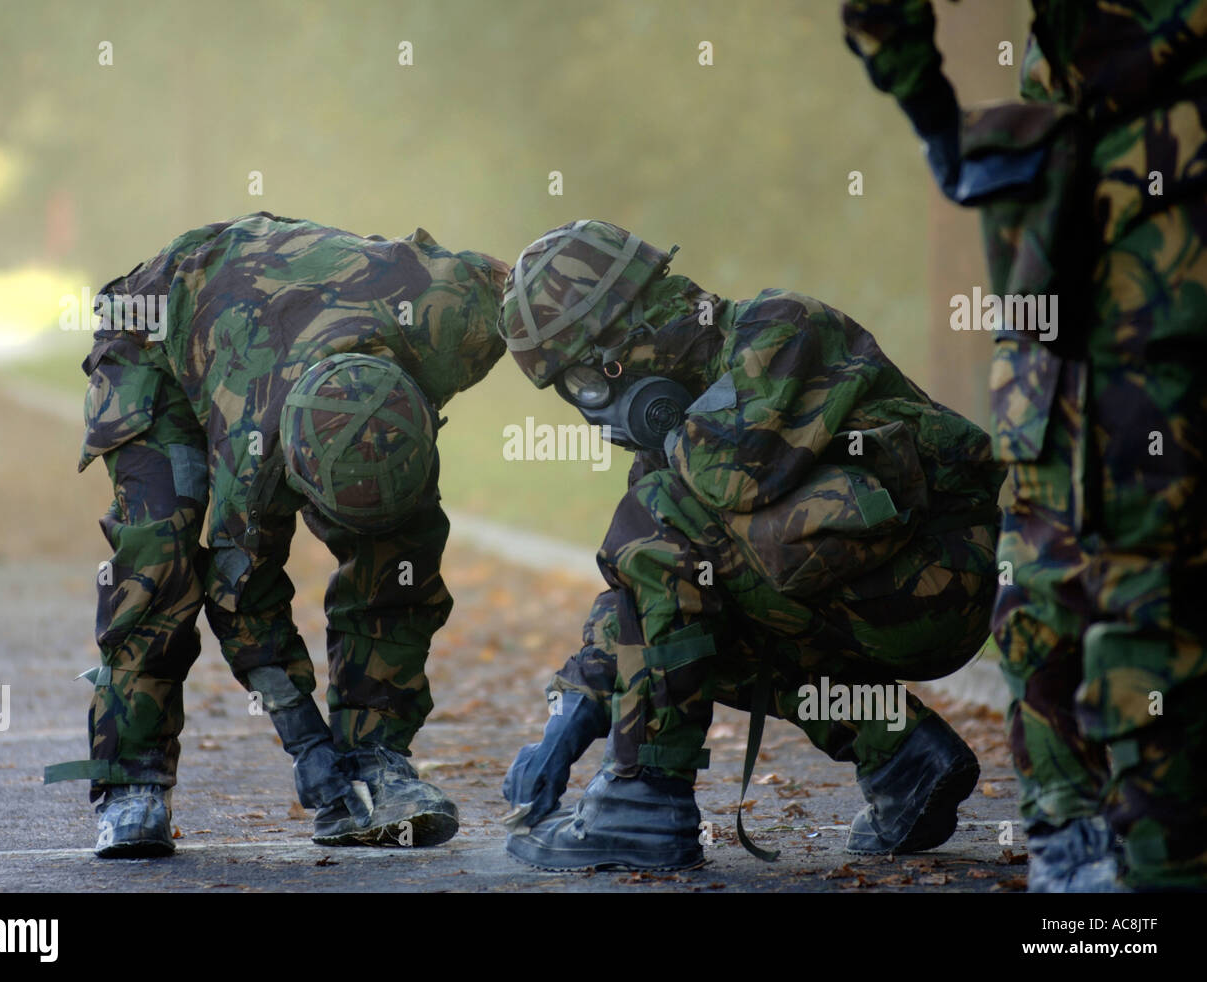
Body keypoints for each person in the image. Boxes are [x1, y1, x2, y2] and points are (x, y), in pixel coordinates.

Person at [497, 219, 1004, 871]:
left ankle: (641, 802)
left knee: (662, 530)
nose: (594, 414)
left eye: (588, 386)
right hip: (861, 599)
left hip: (942, 581)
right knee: (685, 607)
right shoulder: (675, 452)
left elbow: (725, 478)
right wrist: (570, 711)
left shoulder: (780, 328)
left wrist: (660, 450)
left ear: (628, 334)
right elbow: (643, 596)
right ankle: (900, 755)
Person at [842, 0, 1207, 892]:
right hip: (1121, 227)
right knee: (1133, 557)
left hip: (1088, 226)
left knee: (1088, 548)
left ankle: (1083, 844)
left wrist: (934, 118)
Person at [44, 212, 509, 857]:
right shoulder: (252, 456)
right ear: (297, 476)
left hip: (291, 321)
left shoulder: (453, 314)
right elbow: (241, 600)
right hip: (156, 332)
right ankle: (133, 782)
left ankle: (375, 763)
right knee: (160, 560)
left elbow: (545, 293)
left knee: (400, 557)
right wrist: (306, 743)